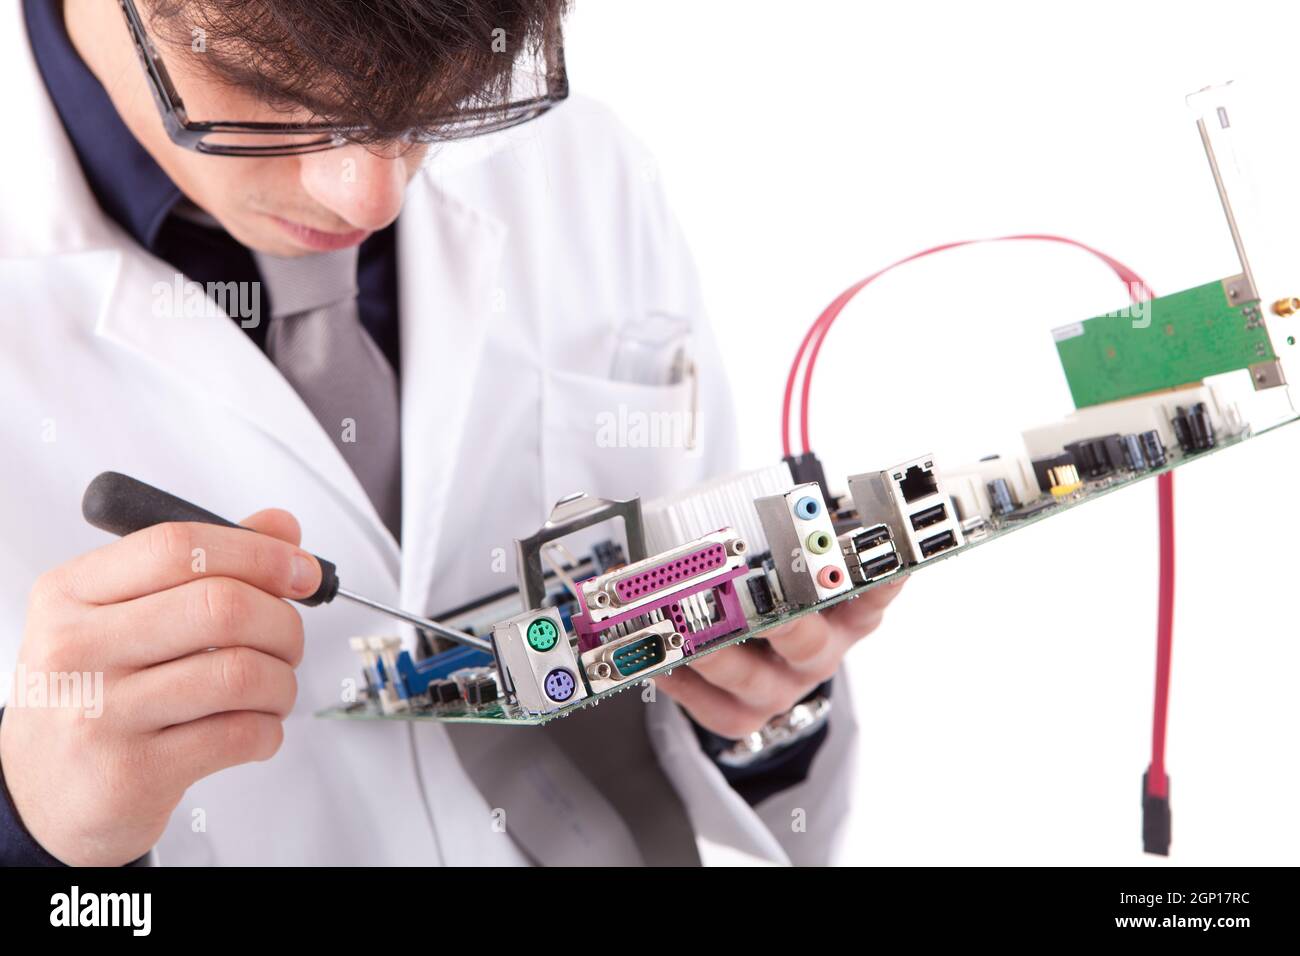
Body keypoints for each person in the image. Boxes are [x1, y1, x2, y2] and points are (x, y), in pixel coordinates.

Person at [0, 0, 902, 866]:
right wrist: (37, 828)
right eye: (273, 91)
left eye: (423, 103)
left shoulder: (582, 171)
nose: (369, 194)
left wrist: (770, 719)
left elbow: (747, 779)